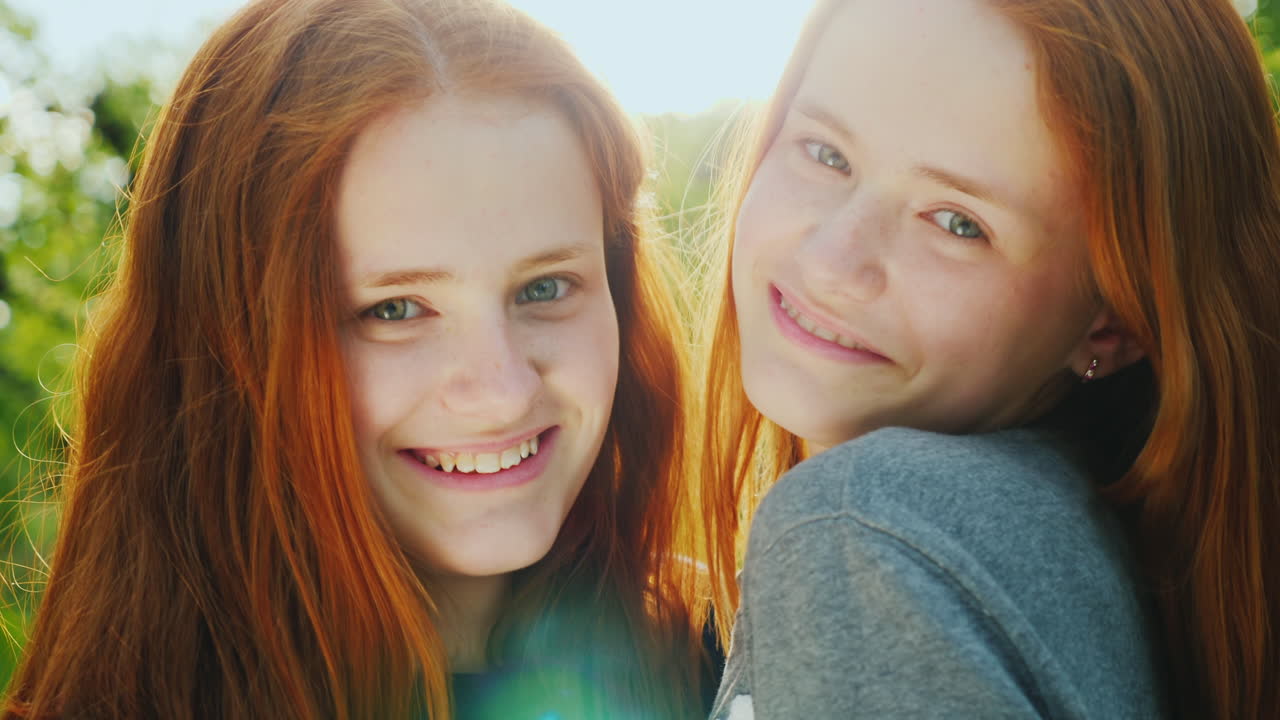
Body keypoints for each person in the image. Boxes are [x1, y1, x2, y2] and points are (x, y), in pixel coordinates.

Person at [1, 0, 713, 717]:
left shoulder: (744, 672)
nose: (501, 390)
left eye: (546, 288)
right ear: (224, 350)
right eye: (394, 310)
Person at [698, 0, 1279, 717]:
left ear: (1114, 323)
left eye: (957, 223)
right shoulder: (1108, 559)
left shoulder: (863, 535)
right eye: (826, 153)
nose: (830, 261)